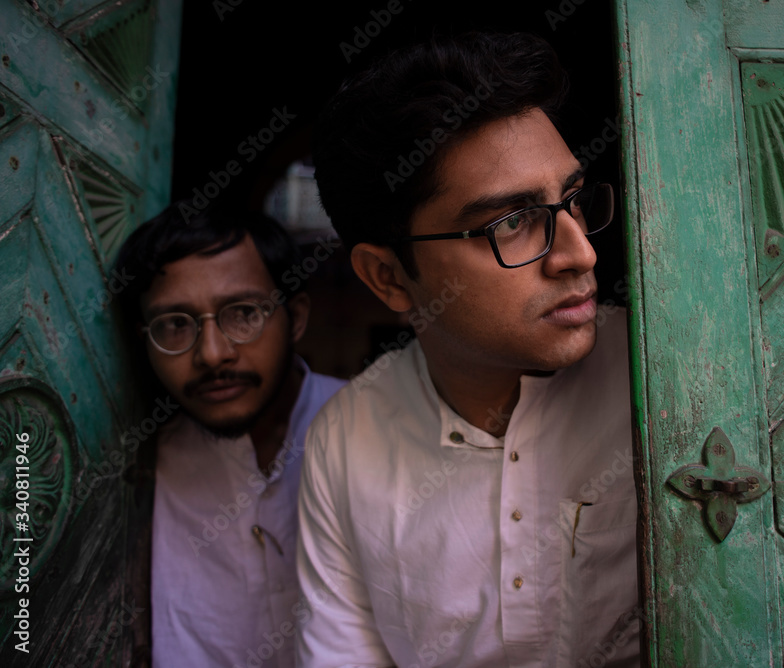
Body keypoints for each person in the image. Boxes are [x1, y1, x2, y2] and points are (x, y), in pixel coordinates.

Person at [297, 32, 639, 667]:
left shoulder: (664, 382)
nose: (581, 254)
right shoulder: (345, 443)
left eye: (573, 201)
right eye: (509, 222)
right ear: (390, 278)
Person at [114, 204, 346, 668]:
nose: (212, 354)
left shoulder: (373, 425)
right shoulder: (138, 460)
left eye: (242, 313)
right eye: (176, 325)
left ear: (295, 318)